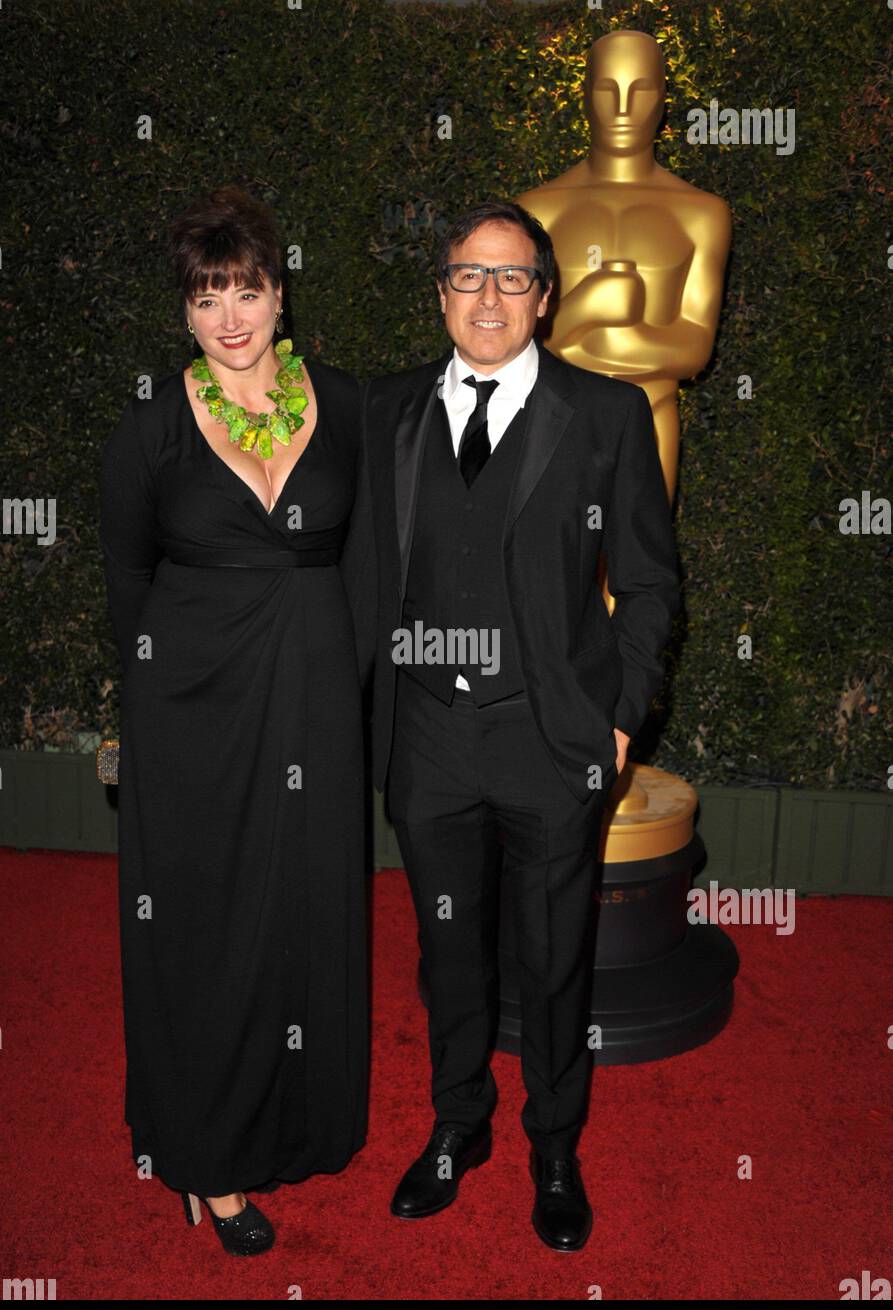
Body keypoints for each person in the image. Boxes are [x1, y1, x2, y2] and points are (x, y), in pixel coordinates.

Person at [352, 201, 680, 1251]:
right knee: (447, 951)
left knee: (551, 958)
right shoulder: (384, 411)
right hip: (426, 740)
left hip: (553, 739)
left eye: (509, 278)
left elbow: (648, 580)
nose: (486, 297)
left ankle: (551, 1142)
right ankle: (457, 1128)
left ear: (544, 297)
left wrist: (620, 718)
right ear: (439, 292)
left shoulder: (605, 414)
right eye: (465, 276)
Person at [99, 185, 370, 1255]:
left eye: (245, 289)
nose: (228, 317)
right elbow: (127, 584)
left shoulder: (342, 405)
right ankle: (201, 1160)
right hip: (192, 712)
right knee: (203, 928)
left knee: (299, 916)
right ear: (185, 310)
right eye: (206, 295)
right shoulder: (149, 432)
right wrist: (140, 722)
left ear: (278, 290)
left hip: (310, 705)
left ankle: (292, 1119)